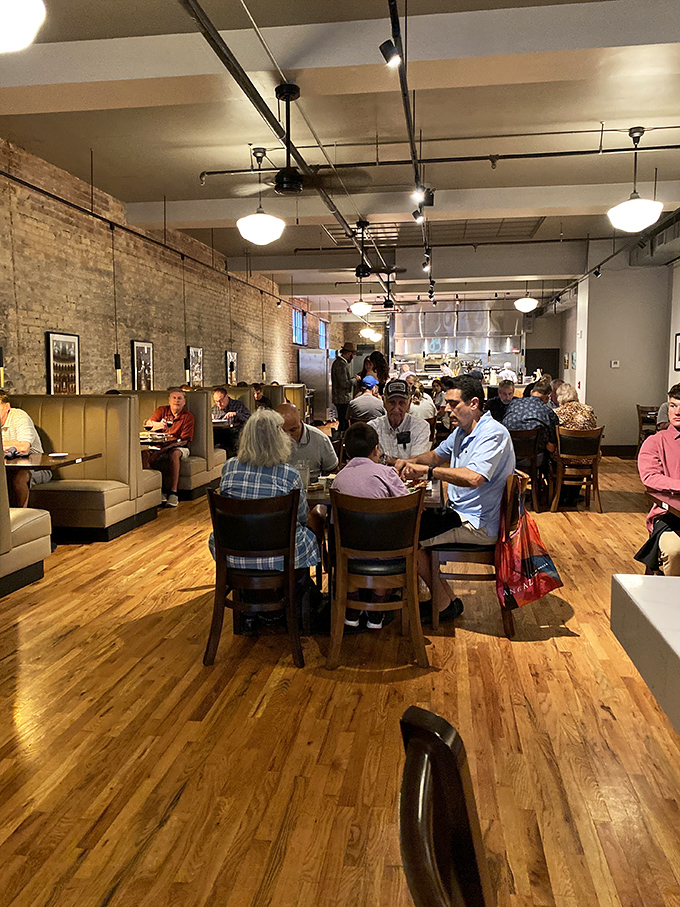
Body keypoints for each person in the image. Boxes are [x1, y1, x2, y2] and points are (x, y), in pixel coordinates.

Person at [396, 375, 515, 619]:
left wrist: (427, 472)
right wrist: (405, 462)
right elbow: (436, 456)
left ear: (473, 403)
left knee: (406, 535)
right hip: (459, 513)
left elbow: (473, 478)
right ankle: (446, 600)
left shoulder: (493, 433)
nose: (446, 409)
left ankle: (441, 604)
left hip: (477, 523)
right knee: (411, 523)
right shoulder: (462, 431)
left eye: (453, 404)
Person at [208, 409, 320, 633]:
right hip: (280, 557)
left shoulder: (229, 468)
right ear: (278, 439)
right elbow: (299, 518)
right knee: (309, 529)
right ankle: (293, 603)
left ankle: (250, 608)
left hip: (234, 555)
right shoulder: (288, 474)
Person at [331, 422, 410, 630]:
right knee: (388, 536)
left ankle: (352, 602)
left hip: (350, 554)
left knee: (339, 541)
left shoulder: (338, 480)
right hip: (387, 553)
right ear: (376, 449)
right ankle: (377, 604)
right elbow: (407, 506)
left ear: (346, 450)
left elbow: (334, 521)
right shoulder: (386, 473)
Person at [636, 384, 680, 576]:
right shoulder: (655, 441)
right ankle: (671, 602)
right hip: (669, 516)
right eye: (673, 406)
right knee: (674, 551)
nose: (677, 412)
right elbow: (650, 477)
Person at [142, 389, 195, 507]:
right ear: (169, 400)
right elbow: (149, 424)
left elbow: (183, 441)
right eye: (174, 398)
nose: (176, 401)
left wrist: (162, 451)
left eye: (179, 398)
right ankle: (158, 491)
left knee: (174, 454)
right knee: (143, 455)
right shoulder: (162, 410)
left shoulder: (188, 416)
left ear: (184, 401)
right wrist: (158, 425)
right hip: (160, 445)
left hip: (179, 446)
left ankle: (173, 492)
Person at [0, 392, 51, 507]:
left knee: (19, 476)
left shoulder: (19, 417)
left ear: (7, 407)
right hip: (6, 468)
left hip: (36, 468)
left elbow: (23, 447)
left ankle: (21, 518)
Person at [368, 379, 431, 465]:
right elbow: (368, 462)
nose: (396, 409)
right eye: (392, 403)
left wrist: (385, 459)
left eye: (401, 403)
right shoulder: (372, 428)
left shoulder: (421, 427)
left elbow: (416, 464)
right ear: (384, 402)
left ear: (409, 404)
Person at [502, 375, 558, 468]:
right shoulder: (548, 412)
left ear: (532, 392)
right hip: (534, 460)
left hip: (508, 456)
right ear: (547, 398)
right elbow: (551, 448)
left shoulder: (513, 403)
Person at [276, 403, 338, 483]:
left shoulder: (320, 439)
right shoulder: (269, 439)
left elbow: (333, 471)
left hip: (310, 489)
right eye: (282, 431)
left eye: (293, 430)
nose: (288, 436)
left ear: (301, 422)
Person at [331, 341, 357, 431]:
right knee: (343, 423)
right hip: (342, 399)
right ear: (349, 353)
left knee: (343, 422)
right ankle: (341, 441)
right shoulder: (340, 364)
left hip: (341, 398)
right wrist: (355, 380)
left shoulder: (341, 363)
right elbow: (344, 384)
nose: (353, 357)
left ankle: (341, 440)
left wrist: (352, 378)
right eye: (353, 354)